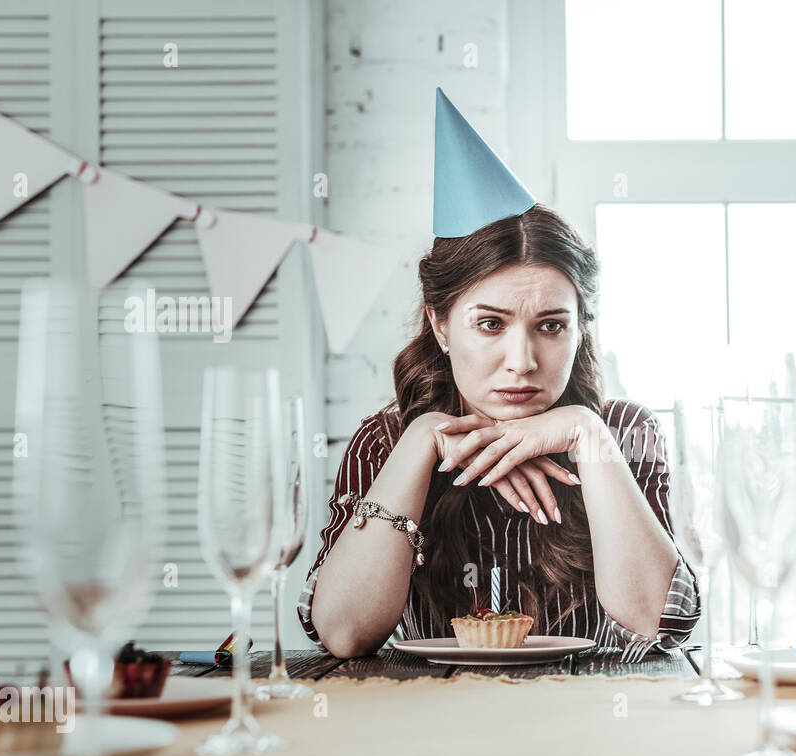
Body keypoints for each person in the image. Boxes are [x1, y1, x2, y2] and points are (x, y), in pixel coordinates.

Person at [298, 90, 699, 659]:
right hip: (431, 732)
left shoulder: (624, 435)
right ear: (440, 325)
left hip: (595, 731)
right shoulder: (385, 443)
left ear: (581, 328)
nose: (523, 360)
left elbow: (657, 621)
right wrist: (420, 442)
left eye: (551, 326)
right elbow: (343, 632)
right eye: (490, 324)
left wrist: (585, 431)